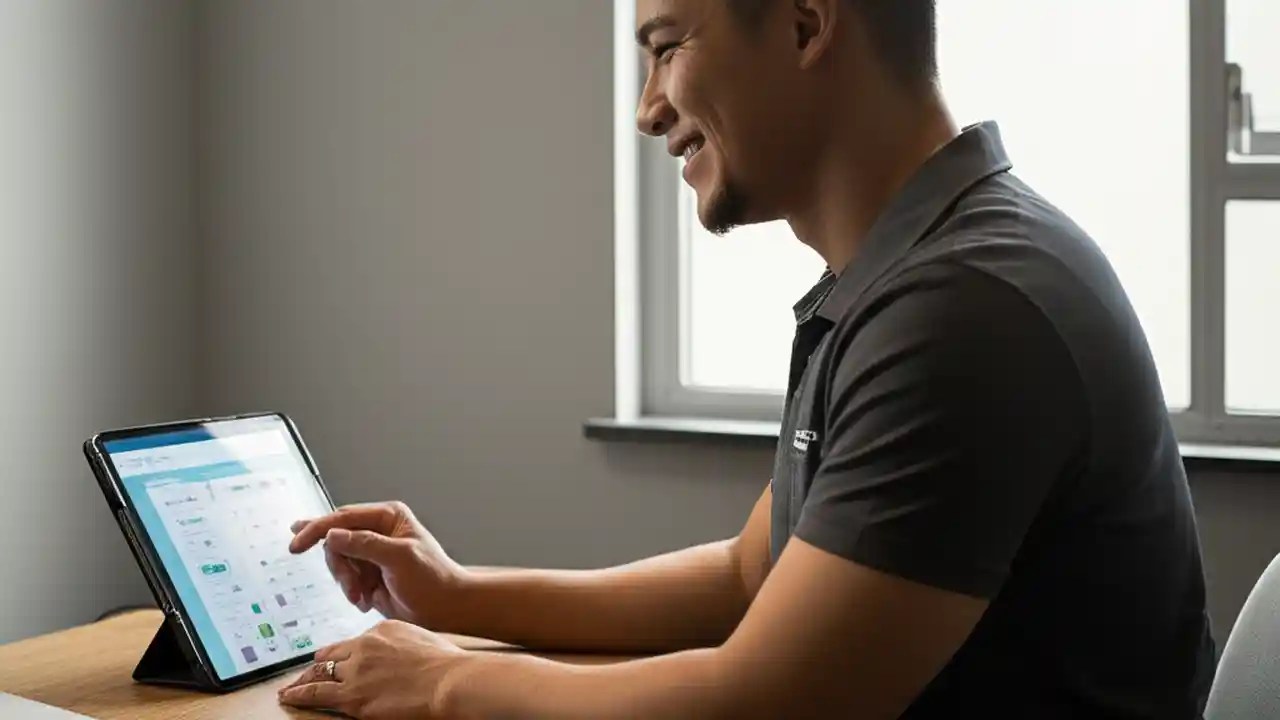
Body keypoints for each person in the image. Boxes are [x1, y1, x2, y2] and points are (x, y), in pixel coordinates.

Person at [279, 1, 1216, 717]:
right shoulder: (910, 279)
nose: (648, 111)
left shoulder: (966, 310)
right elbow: (748, 576)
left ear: (806, 24)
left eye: (666, 46)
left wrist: (447, 682)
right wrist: (458, 596)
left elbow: (763, 703)